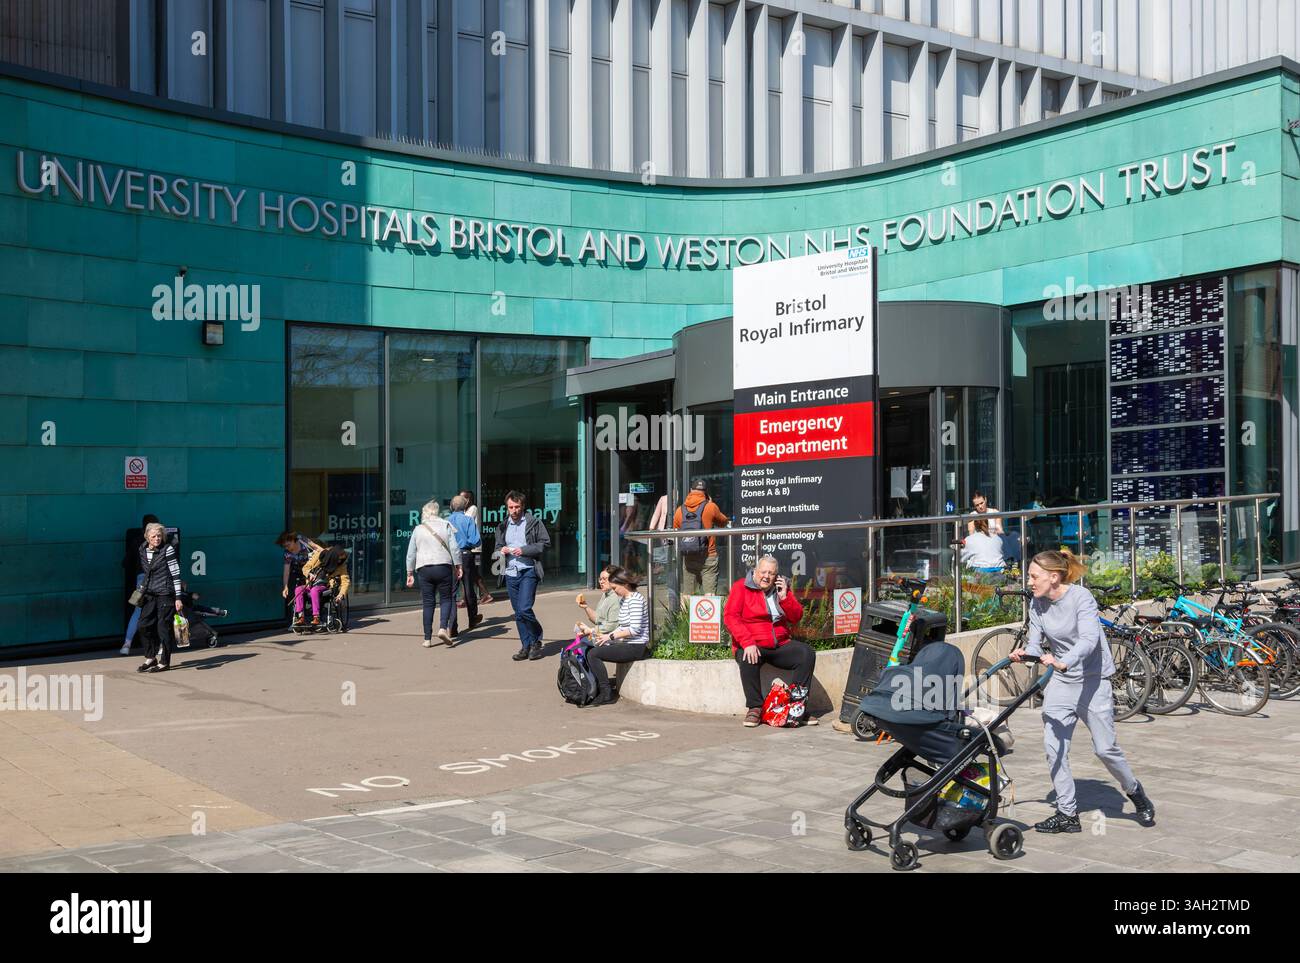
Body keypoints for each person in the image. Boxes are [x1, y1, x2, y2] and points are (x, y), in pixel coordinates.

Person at [1010, 549, 1155, 833]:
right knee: (1054, 747)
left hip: (1093, 679)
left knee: (1105, 749)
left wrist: (1065, 660)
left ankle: (1135, 791)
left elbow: (1089, 640)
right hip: (1062, 683)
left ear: (1053, 577)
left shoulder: (1081, 598)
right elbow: (1036, 644)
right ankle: (1067, 814)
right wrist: (1025, 653)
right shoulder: (1037, 604)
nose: (1029, 581)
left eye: (1033, 576)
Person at [722, 555, 817, 728]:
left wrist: (784, 597)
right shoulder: (741, 587)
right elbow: (730, 617)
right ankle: (755, 707)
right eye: (763, 572)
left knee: (806, 653)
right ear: (755, 572)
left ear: (776, 576)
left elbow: (796, 617)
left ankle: (797, 706)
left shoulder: (781, 590)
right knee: (745, 655)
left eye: (771, 573)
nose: (766, 576)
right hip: (753, 643)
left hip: (779, 644)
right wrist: (747, 641)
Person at [493, 490, 551, 662]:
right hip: (511, 571)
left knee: (525, 608)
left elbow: (545, 543)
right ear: (507, 507)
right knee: (518, 612)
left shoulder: (534, 522)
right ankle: (526, 646)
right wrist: (500, 550)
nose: (514, 510)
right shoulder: (503, 525)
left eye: (517, 507)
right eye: (511, 507)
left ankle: (536, 639)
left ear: (523, 506)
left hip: (528, 570)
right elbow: (497, 547)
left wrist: (524, 550)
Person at [585, 571, 652, 706]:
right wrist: (605, 637)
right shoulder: (625, 599)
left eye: (615, 588)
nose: (614, 591)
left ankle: (606, 693)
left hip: (636, 646)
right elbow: (622, 626)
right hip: (627, 643)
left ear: (625, 584)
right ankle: (598, 686)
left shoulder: (635, 600)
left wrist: (610, 636)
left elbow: (634, 629)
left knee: (594, 654)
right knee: (590, 648)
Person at [405, 500, 463, 647]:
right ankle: (443, 627)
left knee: (428, 603)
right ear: (436, 512)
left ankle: (427, 639)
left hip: (424, 568)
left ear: (424, 513)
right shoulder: (446, 525)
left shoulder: (418, 529)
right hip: (443, 566)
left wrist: (409, 572)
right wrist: (458, 566)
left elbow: (411, 553)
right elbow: (455, 548)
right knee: (446, 598)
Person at [135, 522, 184, 673]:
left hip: (165, 593)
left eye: (159, 536)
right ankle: (151, 657)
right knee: (143, 625)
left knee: (163, 628)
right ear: (147, 537)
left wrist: (178, 597)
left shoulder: (167, 549)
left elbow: (176, 574)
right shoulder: (142, 549)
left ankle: (164, 662)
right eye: (153, 536)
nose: (157, 539)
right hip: (149, 593)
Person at [673, 478, 730, 597]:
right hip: (708, 555)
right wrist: (710, 504)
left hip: (689, 555)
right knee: (709, 595)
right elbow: (723, 522)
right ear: (706, 492)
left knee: (687, 595)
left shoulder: (679, 510)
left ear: (690, 490)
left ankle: (685, 615)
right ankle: (709, 614)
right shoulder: (711, 507)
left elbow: (676, 530)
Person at [449, 494, 484, 633]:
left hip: (451, 557)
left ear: (451, 507)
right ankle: (472, 619)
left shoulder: (446, 521)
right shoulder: (468, 520)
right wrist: (465, 543)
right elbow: (476, 541)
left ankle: (452, 625)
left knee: (452, 590)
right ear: (465, 507)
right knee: (469, 587)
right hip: (465, 554)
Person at [278, 531, 325, 627]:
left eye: (288, 545)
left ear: (293, 540)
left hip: (312, 568)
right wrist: (285, 587)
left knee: (315, 589)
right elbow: (286, 571)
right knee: (294, 590)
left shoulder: (302, 539)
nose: (287, 548)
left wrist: (327, 555)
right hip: (298, 571)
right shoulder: (287, 554)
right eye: (285, 546)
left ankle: (317, 614)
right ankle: (299, 617)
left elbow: (316, 547)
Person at [460, 489, 494, 605]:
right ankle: (481, 595)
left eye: (462, 498)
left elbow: (464, 522)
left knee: (472, 573)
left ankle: (483, 595)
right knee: (469, 573)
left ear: (468, 499)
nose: (460, 500)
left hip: (474, 549)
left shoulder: (472, 509)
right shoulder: (465, 510)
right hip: (470, 548)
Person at [574, 565, 623, 638]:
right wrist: (586, 607)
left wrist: (591, 630)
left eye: (604, 579)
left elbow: (612, 626)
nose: (601, 582)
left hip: (613, 638)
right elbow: (598, 620)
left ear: (613, 580)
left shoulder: (616, 597)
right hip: (603, 636)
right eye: (600, 579)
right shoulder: (605, 594)